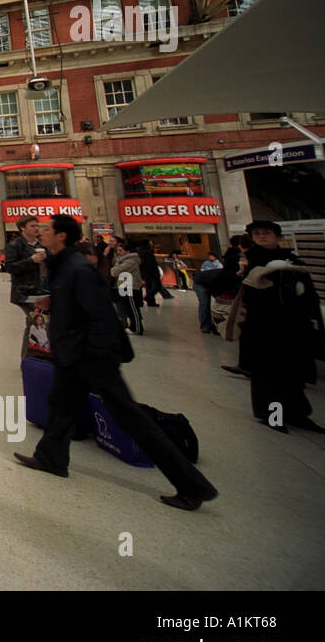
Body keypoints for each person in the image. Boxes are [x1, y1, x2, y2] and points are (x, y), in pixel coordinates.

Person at [13, 215, 219, 511]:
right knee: (61, 405)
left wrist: (95, 357)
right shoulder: (64, 264)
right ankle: (51, 458)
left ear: (61, 236)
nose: (41, 233)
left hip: (91, 356)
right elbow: (79, 306)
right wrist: (52, 302)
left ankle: (192, 485)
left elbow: (101, 316)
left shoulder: (79, 268)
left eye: (46, 229)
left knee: (129, 416)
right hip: (74, 353)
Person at [231, 220, 325, 434]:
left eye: (266, 233)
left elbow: (308, 292)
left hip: (293, 326)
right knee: (269, 375)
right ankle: (274, 416)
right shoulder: (250, 260)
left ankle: (298, 414)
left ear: (276, 235)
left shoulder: (291, 259)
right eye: (257, 234)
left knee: (294, 373)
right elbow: (243, 289)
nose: (262, 237)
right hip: (263, 327)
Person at [3, 216, 46, 318]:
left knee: (39, 321)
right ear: (22, 228)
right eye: (32, 226)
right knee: (35, 320)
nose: (36, 228)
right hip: (25, 291)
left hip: (41, 289)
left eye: (37, 226)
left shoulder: (41, 244)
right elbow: (10, 267)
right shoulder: (14, 245)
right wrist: (31, 260)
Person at [110, 237, 144, 335]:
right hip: (124, 286)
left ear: (128, 251)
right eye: (117, 251)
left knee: (133, 308)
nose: (119, 253)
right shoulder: (123, 260)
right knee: (128, 308)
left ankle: (137, 328)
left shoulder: (131, 261)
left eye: (121, 250)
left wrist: (116, 266)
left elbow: (115, 271)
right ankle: (132, 326)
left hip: (131, 287)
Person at [192, 250, 225, 335]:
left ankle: (217, 326)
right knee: (205, 303)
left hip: (210, 283)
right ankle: (205, 326)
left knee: (220, 304)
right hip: (200, 284)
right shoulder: (220, 273)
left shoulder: (219, 266)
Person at [138, 240, 173, 305]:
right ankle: (148, 297)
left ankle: (151, 302)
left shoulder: (140, 252)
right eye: (150, 243)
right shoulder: (148, 252)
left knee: (149, 286)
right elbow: (151, 264)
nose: (151, 244)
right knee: (157, 285)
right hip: (152, 272)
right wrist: (156, 272)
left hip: (144, 272)